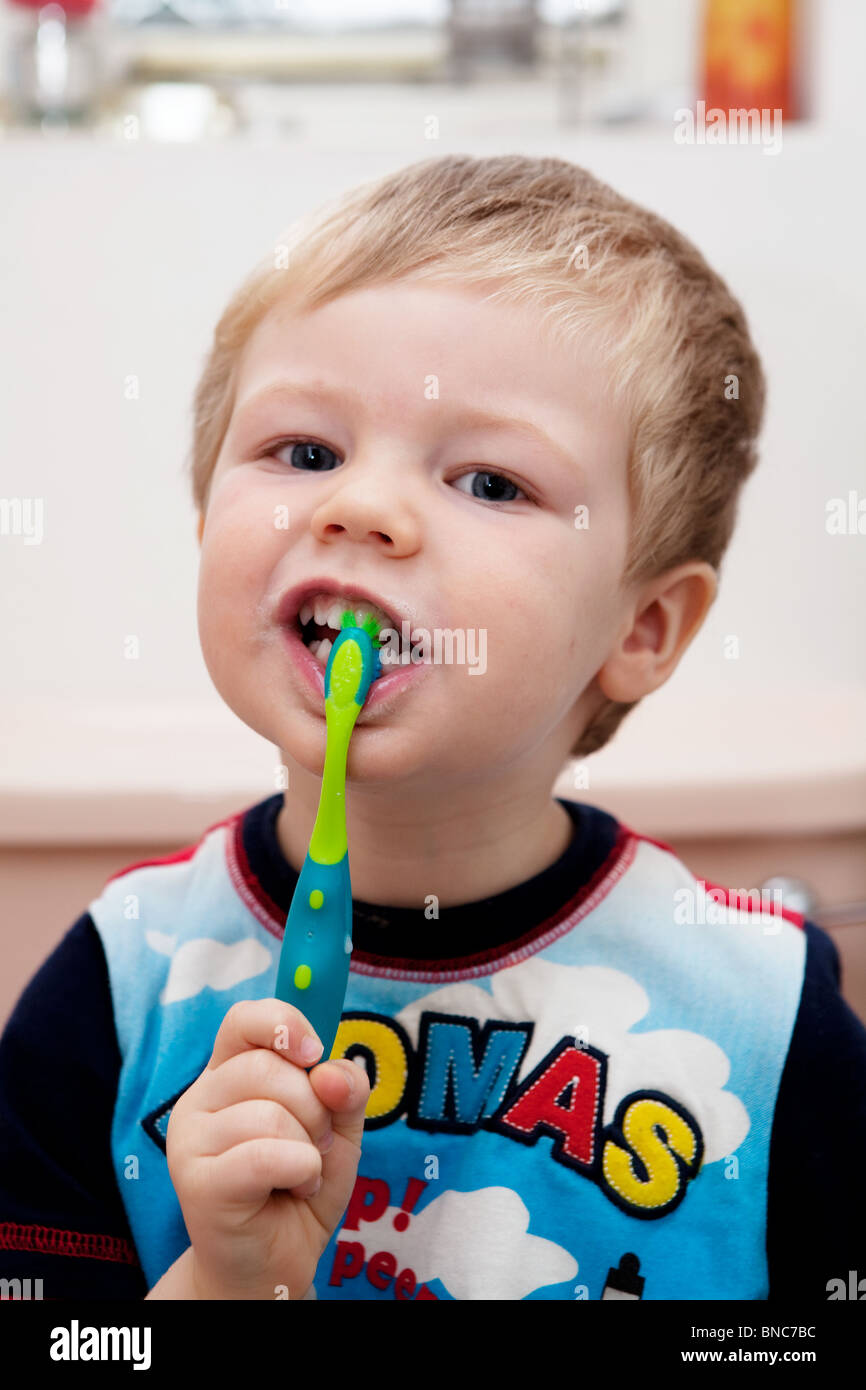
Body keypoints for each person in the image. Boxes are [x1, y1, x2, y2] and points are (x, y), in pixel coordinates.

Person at [2, 155, 864, 1302]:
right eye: (305, 452)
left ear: (643, 624)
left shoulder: (760, 1015)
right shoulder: (118, 987)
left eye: (491, 482)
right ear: (208, 515)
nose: (359, 507)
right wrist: (225, 1280)